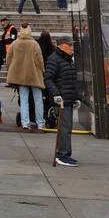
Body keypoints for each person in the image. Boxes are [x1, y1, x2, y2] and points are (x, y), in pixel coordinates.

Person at [44, 36, 80, 167]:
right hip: (61, 100)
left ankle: (64, 153)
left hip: (67, 98)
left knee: (67, 128)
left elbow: (70, 81)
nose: (71, 47)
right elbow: (48, 78)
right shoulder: (55, 59)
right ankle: (62, 155)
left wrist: (75, 97)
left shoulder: (67, 59)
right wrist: (56, 94)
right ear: (61, 46)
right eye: (69, 45)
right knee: (64, 128)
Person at [5, 24, 47, 130]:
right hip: (34, 75)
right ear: (30, 31)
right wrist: (42, 70)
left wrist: (10, 69)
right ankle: (40, 123)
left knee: (24, 100)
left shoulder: (15, 43)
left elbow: (8, 58)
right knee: (38, 99)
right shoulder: (34, 44)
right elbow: (40, 60)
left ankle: (25, 123)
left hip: (20, 76)